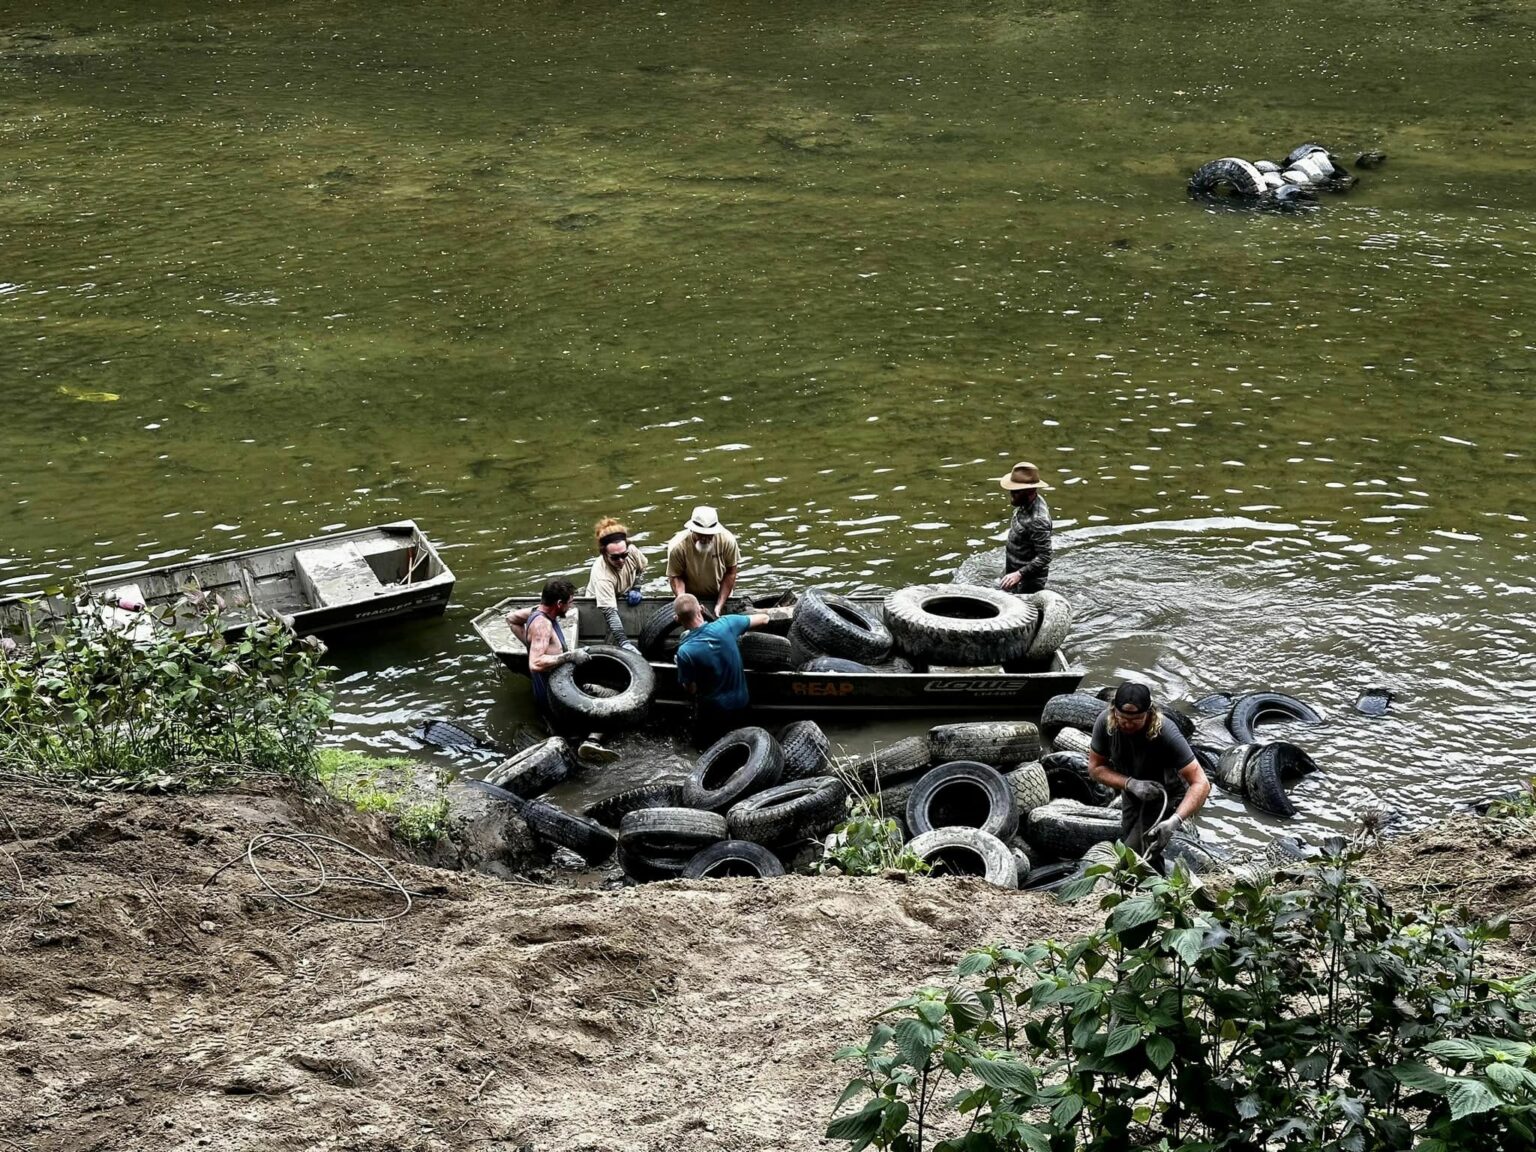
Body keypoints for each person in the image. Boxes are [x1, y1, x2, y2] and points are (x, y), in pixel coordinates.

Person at [1086, 681, 1211, 869]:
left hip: (1165, 793)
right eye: (1122, 718)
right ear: (1113, 712)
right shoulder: (1105, 723)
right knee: (1135, 842)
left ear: (1150, 714)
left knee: (1133, 854)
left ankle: (1125, 885)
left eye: (1135, 720)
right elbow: (1095, 768)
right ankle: (1156, 882)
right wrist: (1130, 784)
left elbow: (1201, 783)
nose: (1127, 724)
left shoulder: (1166, 732)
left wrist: (1175, 821)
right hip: (1132, 788)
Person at [505, 579, 616, 764]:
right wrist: (568, 656)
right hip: (555, 695)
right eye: (570, 602)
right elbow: (535, 663)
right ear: (558, 603)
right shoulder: (543, 626)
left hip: (551, 688)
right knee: (612, 702)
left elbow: (511, 618)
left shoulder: (535, 612)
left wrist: (529, 642)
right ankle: (591, 742)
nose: (571, 606)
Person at [671, 592, 771, 746]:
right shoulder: (727, 624)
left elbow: (690, 690)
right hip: (743, 705)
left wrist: (681, 666)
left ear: (676, 619)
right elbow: (765, 619)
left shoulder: (685, 652)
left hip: (714, 715)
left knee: (702, 750)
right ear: (702, 609)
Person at [585, 516, 647, 650]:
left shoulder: (632, 552)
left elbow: (641, 570)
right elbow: (610, 613)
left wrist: (636, 587)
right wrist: (624, 642)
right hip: (600, 603)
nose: (621, 560)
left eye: (624, 555)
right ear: (604, 554)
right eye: (615, 558)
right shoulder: (602, 576)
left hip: (623, 593)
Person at [666, 505, 740, 617]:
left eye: (709, 535)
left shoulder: (728, 541)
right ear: (692, 530)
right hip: (690, 593)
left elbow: (731, 573)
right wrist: (685, 602)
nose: (705, 538)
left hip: (719, 591)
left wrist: (719, 605)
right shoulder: (677, 546)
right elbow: (675, 576)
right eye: (700, 534)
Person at [996, 462, 1052, 593]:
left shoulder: (1038, 519)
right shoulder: (1024, 502)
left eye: (1016, 491)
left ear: (1030, 491)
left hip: (1028, 581)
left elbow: (1045, 556)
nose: (1011, 494)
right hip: (1013, 569)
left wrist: (1019, 574)